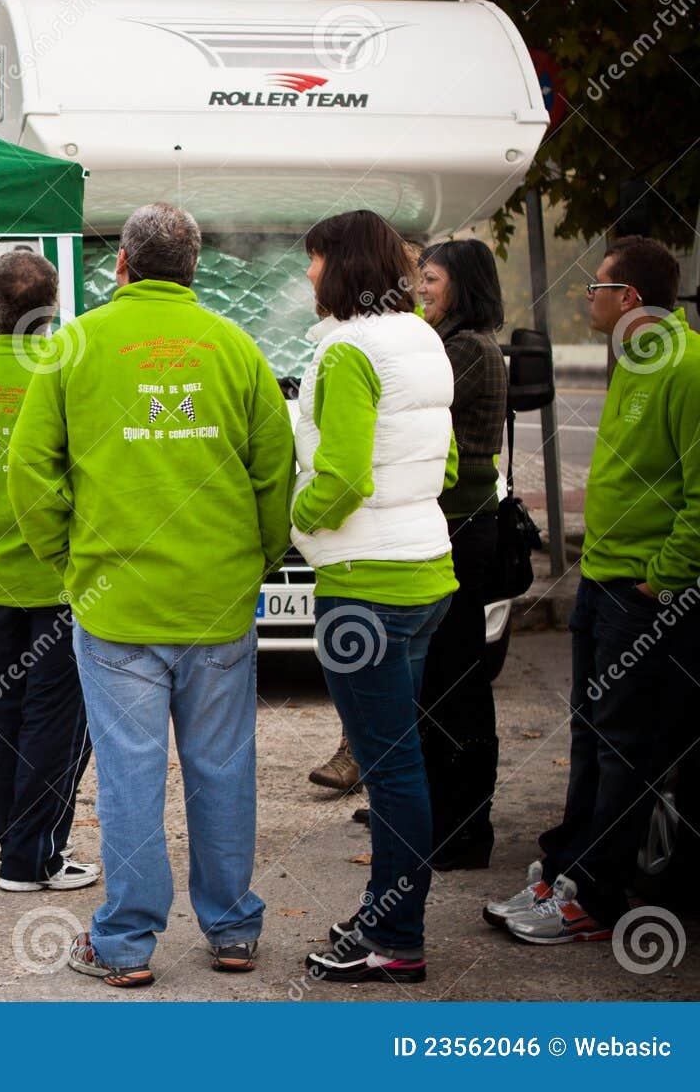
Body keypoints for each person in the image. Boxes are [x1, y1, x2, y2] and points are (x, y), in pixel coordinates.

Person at [10, 203, 295, 988]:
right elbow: (276, 471)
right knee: (223, 766)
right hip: (217, 599)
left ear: (122, 266)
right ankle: (233, 927)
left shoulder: (74, 346)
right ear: (195, 270)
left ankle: (127, 942)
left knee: (132, 773)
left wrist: (67, 562)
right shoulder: (236, 348)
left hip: (115, 604)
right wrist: (258, 560)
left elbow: (31, 472)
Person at [488, 237, 700, 945]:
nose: (590, 299)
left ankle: (595, 896)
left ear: (629, 299)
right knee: (591, 734)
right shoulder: (638, 362)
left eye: (597, 287)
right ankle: (566, 869)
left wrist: (663, 575)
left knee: (624, 748)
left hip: (640, 594)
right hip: (603, 583)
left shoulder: (684, 366)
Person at [292, 210, 457, 985]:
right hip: (426, 572)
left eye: (314, 260)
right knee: (402, 761)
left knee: (388, 770)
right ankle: (385, 911)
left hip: (364, 585)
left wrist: (293, 517)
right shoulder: (421, 338)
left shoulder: (347, 347)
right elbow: (449, 464)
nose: (308, 276)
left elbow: (345, 475)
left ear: (340, 265)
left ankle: (394, 935)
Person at [0, 251, 96, 892]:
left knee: (7, 711)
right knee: (58, 723)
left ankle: (16, 836)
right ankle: (29, 857)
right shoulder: (70, 372)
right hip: (63, 579)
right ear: (54, 310)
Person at [414, 239, 509, 870]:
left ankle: (464, 826)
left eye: (432, 279)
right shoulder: (450, 341)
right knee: (437, 677)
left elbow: (416, 407)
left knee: (457, 678)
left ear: (463, 285)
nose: (422, 288)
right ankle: (432, 807)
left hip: (462, 527)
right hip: (455, 524)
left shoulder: (465, 349)